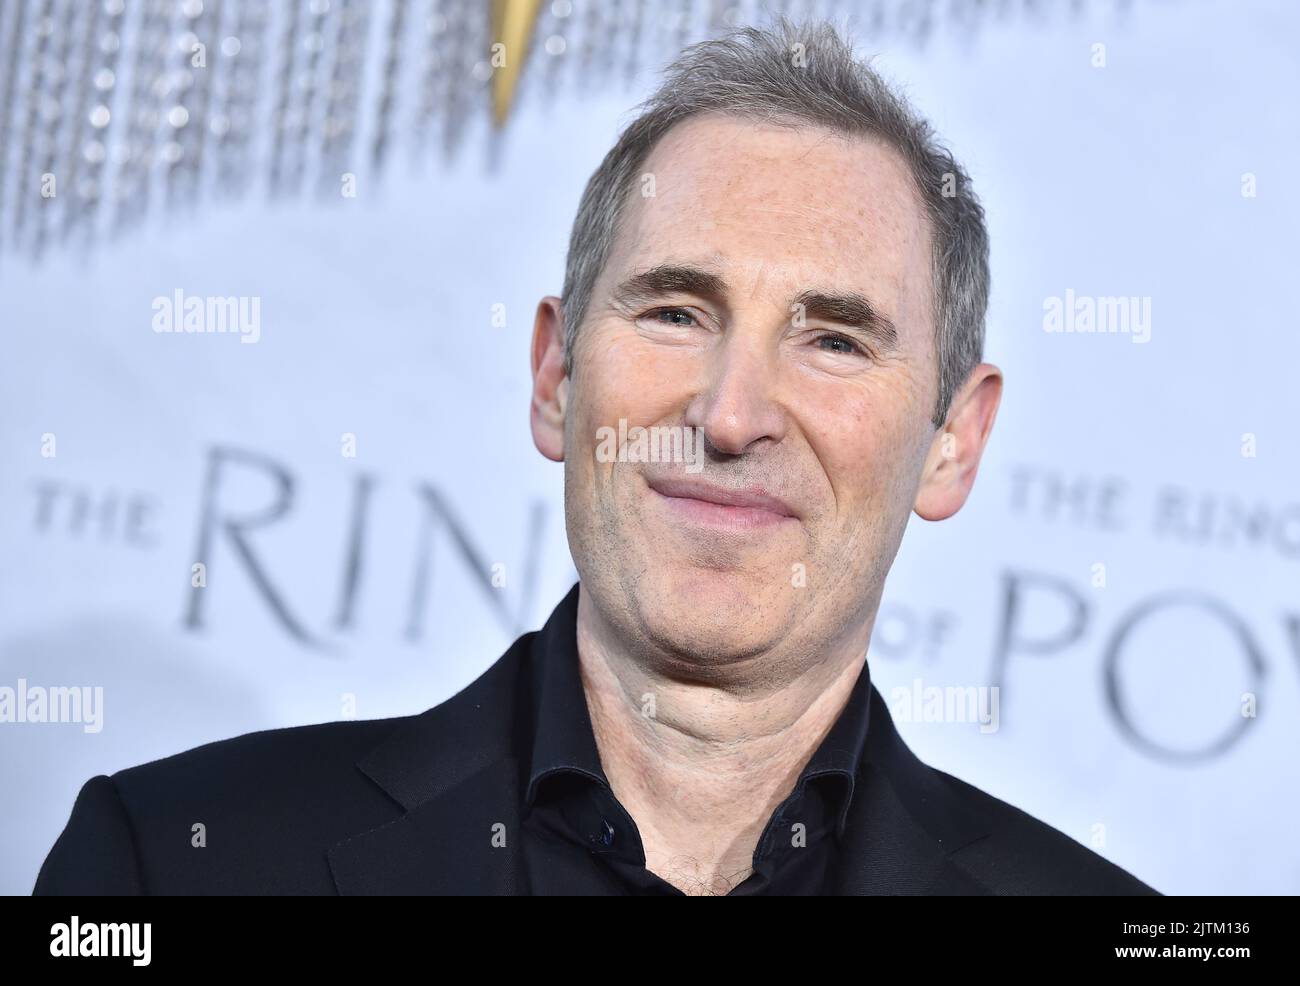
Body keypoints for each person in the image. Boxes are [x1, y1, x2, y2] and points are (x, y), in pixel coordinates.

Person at [35, 16, 1158, 896]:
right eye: (675, 311)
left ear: (952, 442)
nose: (730, 415)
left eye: (832, 339)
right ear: (555, 377)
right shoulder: (176, 863)